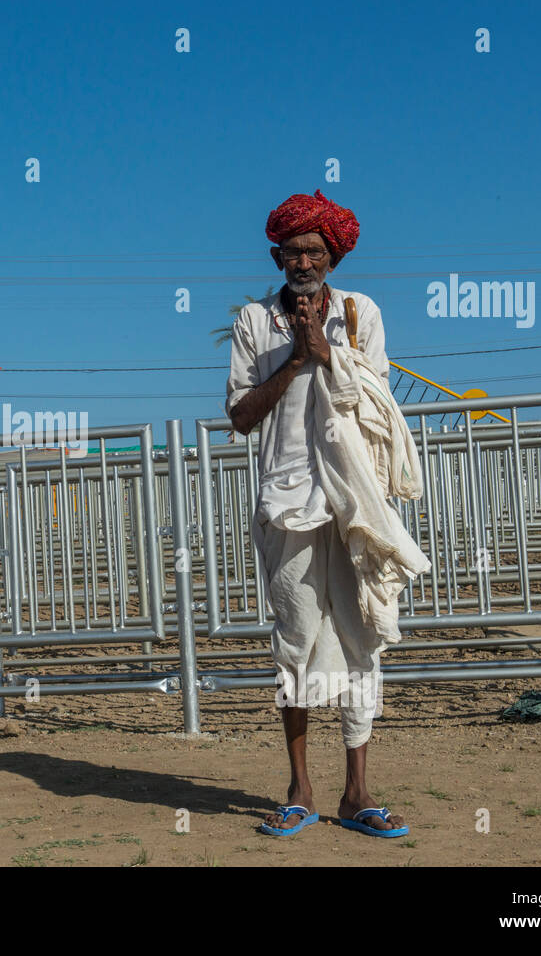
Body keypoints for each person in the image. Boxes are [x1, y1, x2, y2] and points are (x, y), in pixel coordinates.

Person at [225, 190, 418, 839]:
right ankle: (299, 786)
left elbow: (377, 400)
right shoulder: (255, 322)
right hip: (287, 505)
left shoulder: (362, 314)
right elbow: (240, 414)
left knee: (363, 636)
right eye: (292, 250)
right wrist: (298, 359)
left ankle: (358, 791)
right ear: (276, 255)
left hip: (354, 500)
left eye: (314, 249)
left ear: (333, 255)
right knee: (296, 641)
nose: (302, 260)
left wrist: (330, 352)